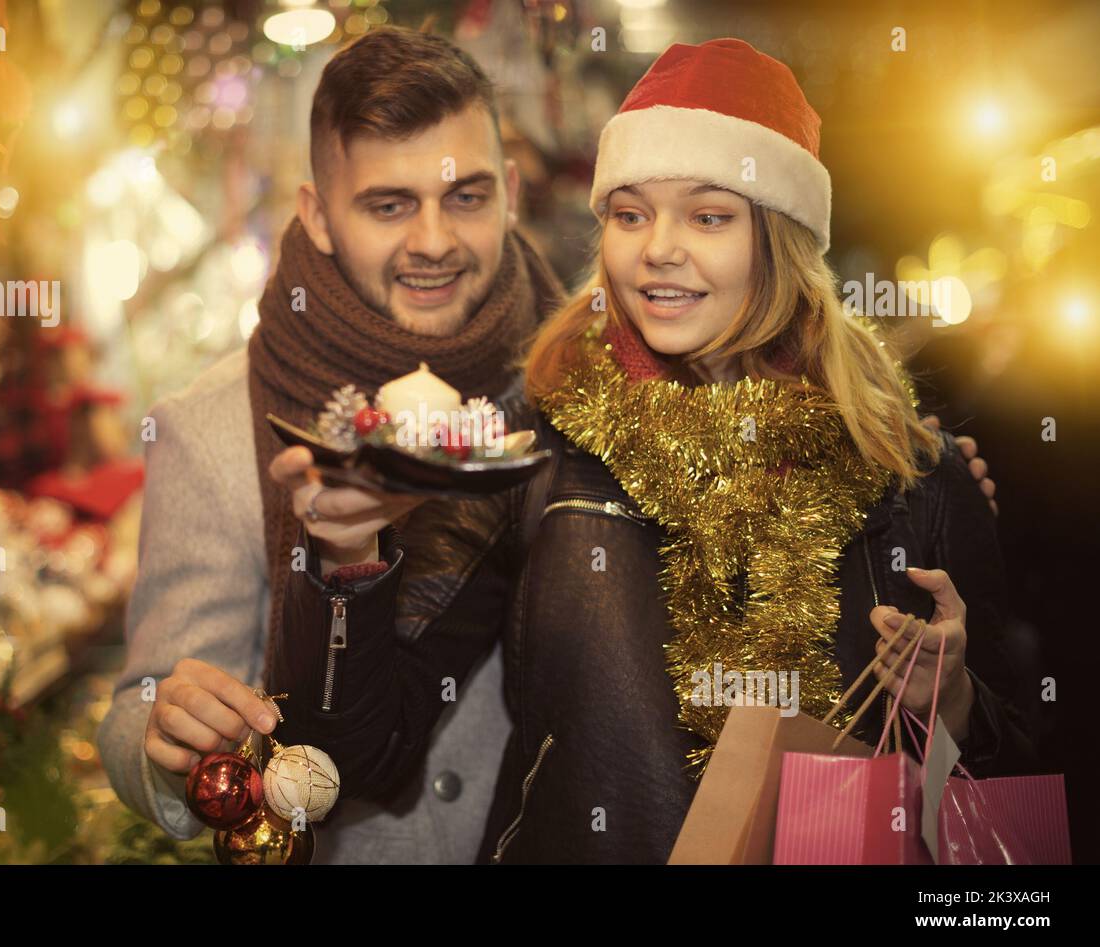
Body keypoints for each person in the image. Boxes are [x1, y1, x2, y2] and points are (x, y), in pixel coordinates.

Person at [265, 38, 1032, 864]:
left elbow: (1023, 780)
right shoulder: (534, 446)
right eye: (631, 214)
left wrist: (955, 702)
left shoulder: (915, 473)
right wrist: (348, 552)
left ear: (781, 238)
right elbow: (360, 750)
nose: (659, 247)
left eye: (708, 216)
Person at [97, 26, 567, 863]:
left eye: (466, 196)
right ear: (316, 216)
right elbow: (142, 702)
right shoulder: (214, 426)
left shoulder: (575, 375)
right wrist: (166, 738)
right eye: (389, 205)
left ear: (510, 191)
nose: (434, 240)